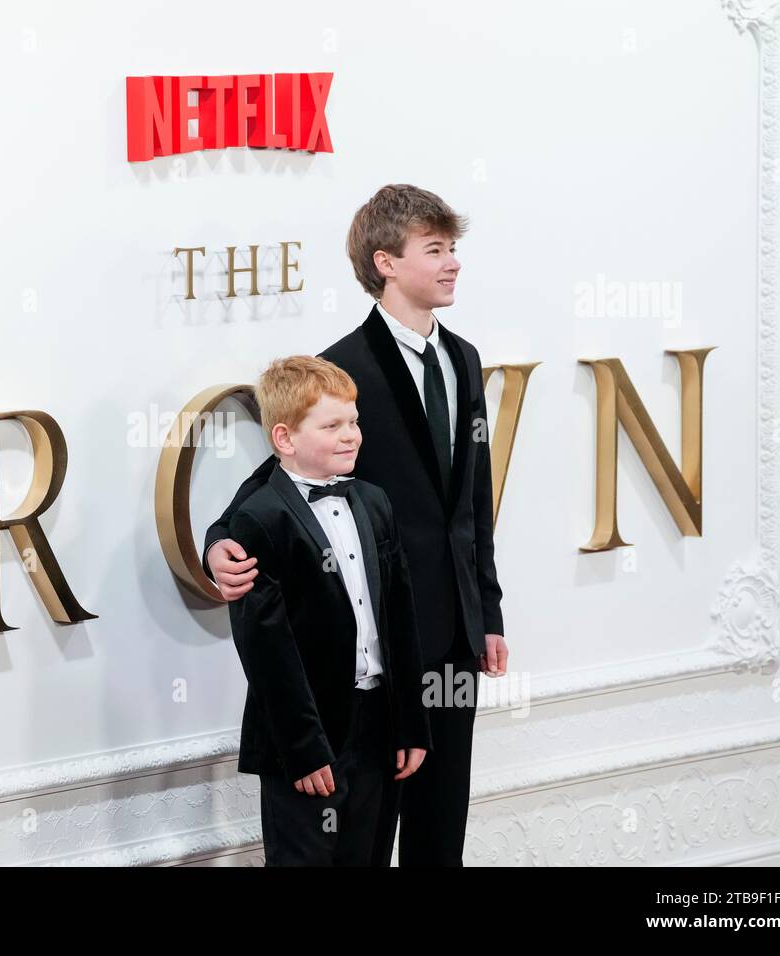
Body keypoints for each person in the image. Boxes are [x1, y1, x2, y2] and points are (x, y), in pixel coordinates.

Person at [206, 184, 509, 866]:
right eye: (435, 249)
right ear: (386, 263)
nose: (453, 262)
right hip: (387, 647)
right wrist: (218, 543)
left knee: (440, 830)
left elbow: (473, 500)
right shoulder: (343, 365)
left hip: (455, 634)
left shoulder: (463, 358)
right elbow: (276, 482)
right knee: (369, 833)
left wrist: (487, 610)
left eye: (453, 248)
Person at [226, 355, 432, 866]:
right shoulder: (259, 519)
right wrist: (304, 749)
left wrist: (410, 723)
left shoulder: (374, 501)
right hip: (307, 736)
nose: (352, 435)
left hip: (378, 727)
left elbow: (401, 622)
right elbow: (265, 649)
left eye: (354, 421)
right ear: (285, 439)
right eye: (332, 425)